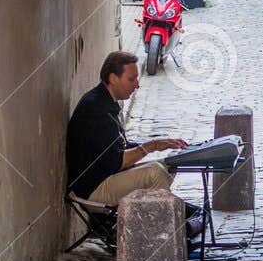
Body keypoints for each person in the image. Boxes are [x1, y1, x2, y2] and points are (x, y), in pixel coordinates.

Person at [65, 51, 190, 206]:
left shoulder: (106, 102)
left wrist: (159, 144)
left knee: (168, 165)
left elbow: (120, 147)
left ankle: (150, 219)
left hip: (109, 175)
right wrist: (152, 146)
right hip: (93, 187)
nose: (137, 85)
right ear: (113, 79)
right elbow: (117, 161)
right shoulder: (96, 108)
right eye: (131, 79)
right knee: (155, 173)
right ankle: (160, 225)